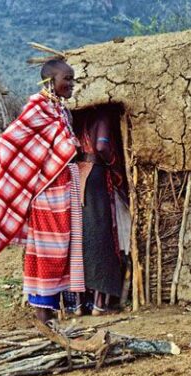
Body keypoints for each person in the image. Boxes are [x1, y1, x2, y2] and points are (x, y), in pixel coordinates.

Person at [0, 58, 84, 323]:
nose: (71, 84)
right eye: (67, 79)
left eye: (73, 79)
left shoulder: (60, 110)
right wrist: (33, 178)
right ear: (50, 81)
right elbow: (8, 142)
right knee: (46, 251)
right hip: (47, 194)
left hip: (64, 188)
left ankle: (53, 311)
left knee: (63, 249)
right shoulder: (37, 108)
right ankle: (42, 313)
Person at [71, 109, 129, 315]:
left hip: (76, 173)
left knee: (79, 238)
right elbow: (102, 145)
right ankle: (98, 304)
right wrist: (114, 163)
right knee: (101, 237)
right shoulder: (101, 116)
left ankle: (78, 304)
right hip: (95, 174)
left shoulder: (74, 117)